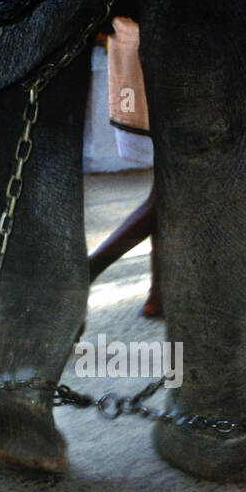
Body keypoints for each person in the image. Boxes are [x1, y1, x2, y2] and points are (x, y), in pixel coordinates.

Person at [87, 16, 163, 318]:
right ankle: (86, 271)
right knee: (172, 190)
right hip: (163, 45)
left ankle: (159, 292)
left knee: (169, 183)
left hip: (134, 39)